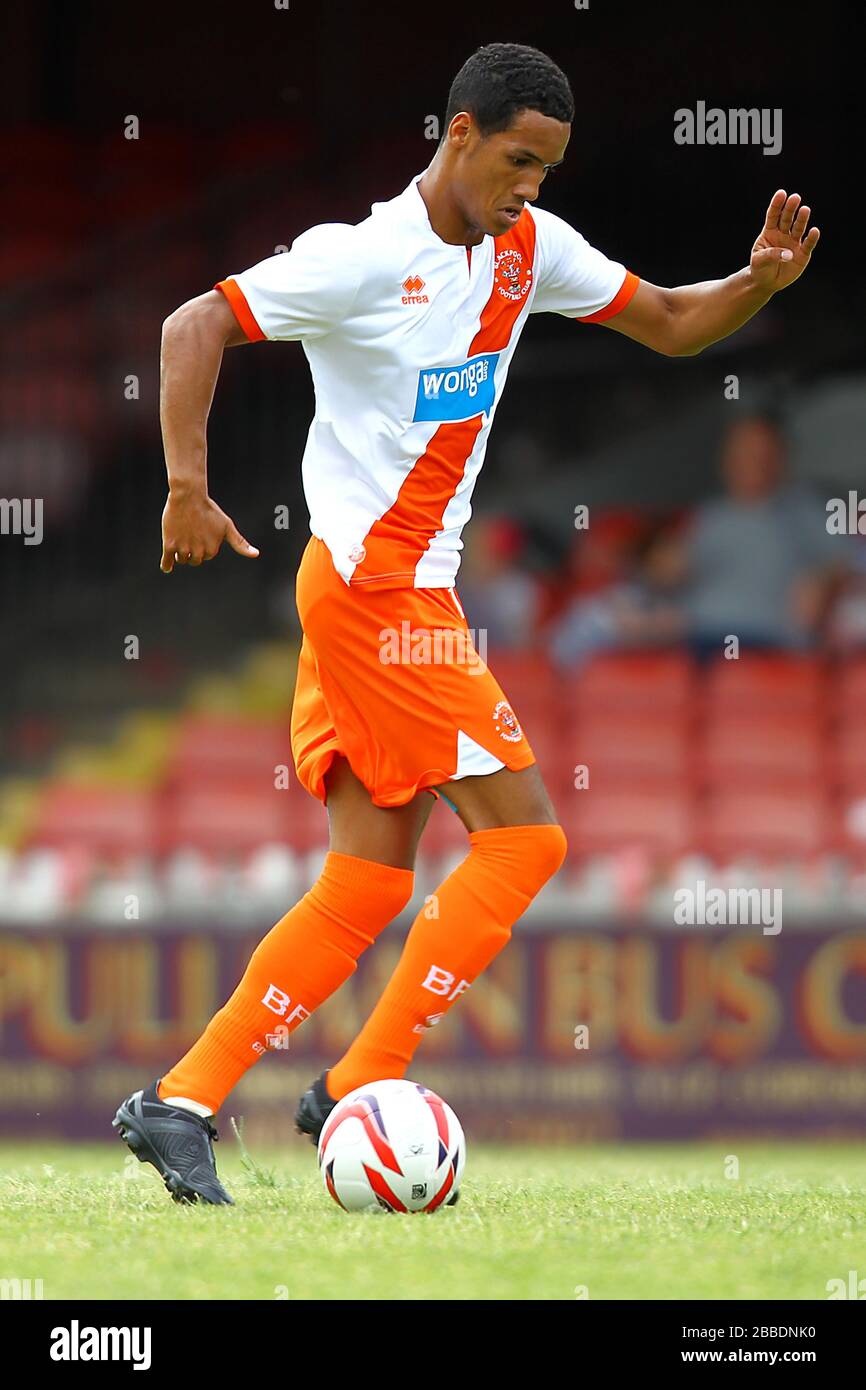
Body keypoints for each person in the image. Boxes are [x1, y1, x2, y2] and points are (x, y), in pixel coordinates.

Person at [113, 42, 821, 1203]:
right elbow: (192, 325)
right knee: (526, 839)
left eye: (545, 167)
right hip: (374, 590)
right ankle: (360, 1081)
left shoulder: (528, 248)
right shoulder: (357, 260)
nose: (529, 186)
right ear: (455, 136)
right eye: (516, 160)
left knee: (369, 881)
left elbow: (668, 322)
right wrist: (186, 485)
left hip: (386, 592)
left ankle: (179, 1101)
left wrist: (754, 284)